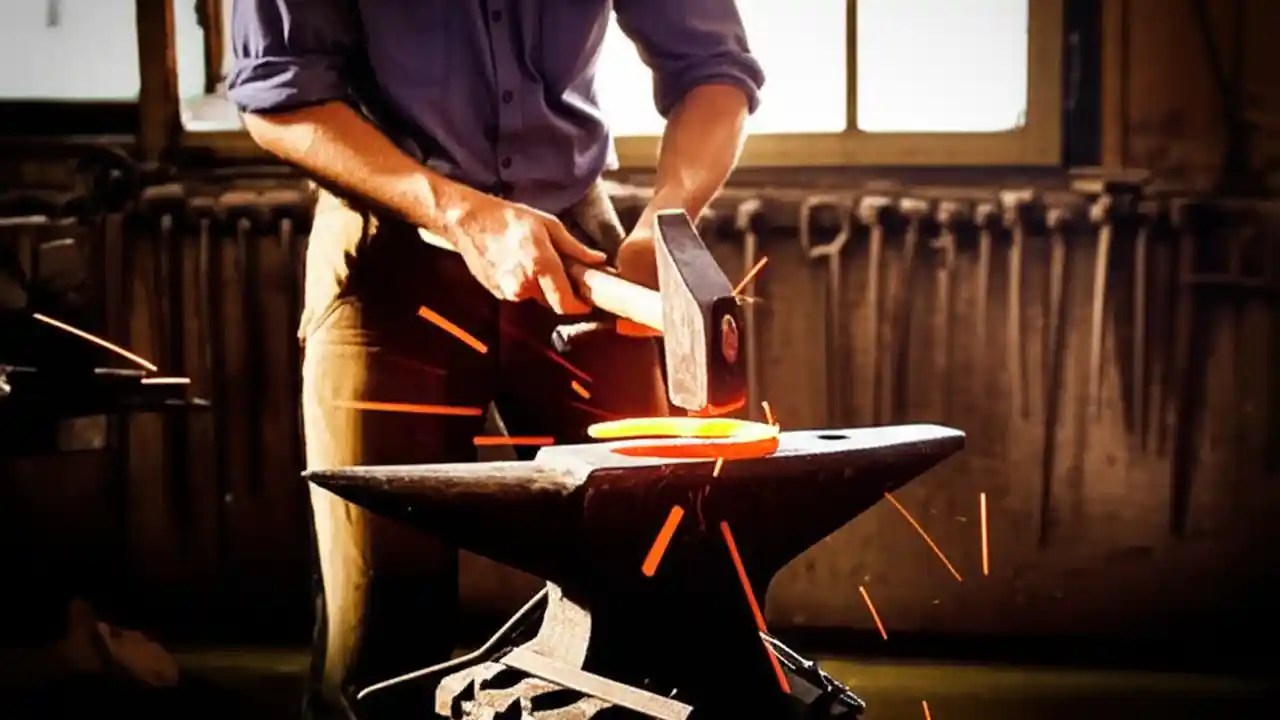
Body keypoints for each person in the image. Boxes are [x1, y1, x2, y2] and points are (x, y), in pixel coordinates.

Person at [228, 2, 764, 718]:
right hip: (390, 234)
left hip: (581, 244)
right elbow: (279, 98)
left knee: (653, 565)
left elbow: (715, 72)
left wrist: (666, 221)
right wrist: (456, 211)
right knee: (384, 622)